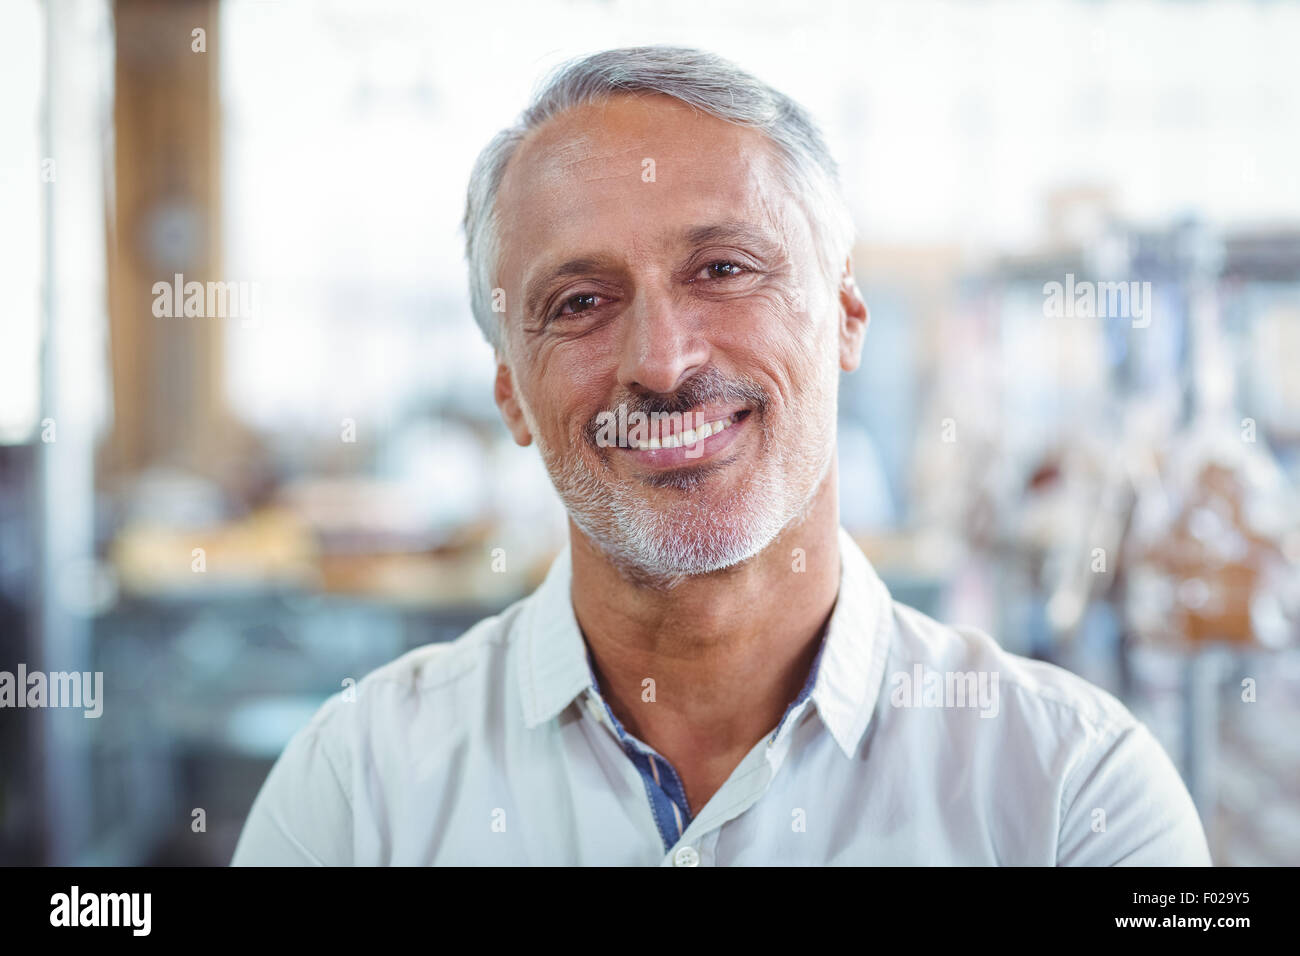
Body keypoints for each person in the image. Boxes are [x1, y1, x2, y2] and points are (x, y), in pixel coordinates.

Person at [232, 46, 1211, 866]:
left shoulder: (1075, 792)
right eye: (580, 302)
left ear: (845, 315)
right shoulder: (354, 793)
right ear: (510, 395)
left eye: (723, 269)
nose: (662, 362)